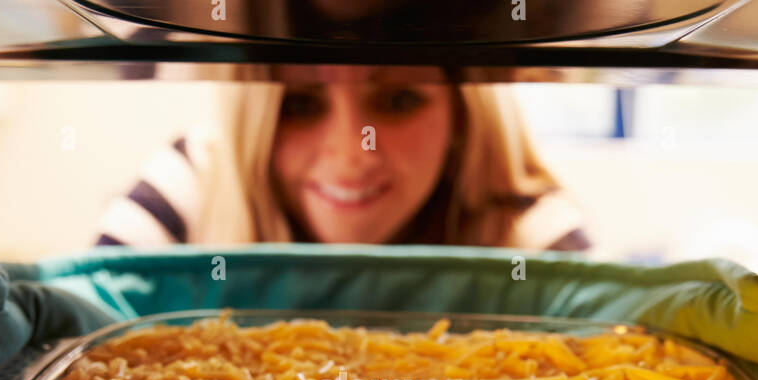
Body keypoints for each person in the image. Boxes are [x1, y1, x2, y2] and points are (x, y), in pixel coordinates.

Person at [96, 66, 590, 252]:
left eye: (398, 101)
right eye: (300, 105)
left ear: (461, 116)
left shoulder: (524, 217)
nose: (354, 153)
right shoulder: (192, 180)